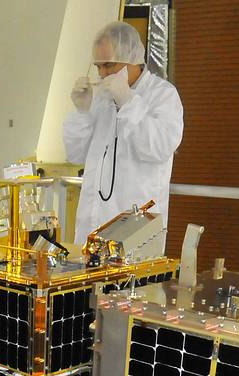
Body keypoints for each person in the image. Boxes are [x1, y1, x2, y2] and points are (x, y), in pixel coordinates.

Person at [63, 21, 184, 247]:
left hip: (135, 230)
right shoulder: (101, 99)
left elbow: (158, 148)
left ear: (131, 59)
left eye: (109, 65)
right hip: (92, 226)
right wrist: (82, 112)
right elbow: (76, 154)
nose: (103, 74)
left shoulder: (163, 95)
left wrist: (128, 103)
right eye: (98, 67)